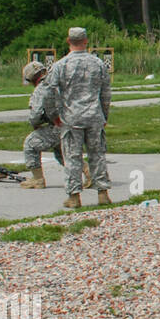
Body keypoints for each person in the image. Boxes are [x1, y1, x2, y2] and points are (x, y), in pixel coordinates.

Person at [40, 27, 112, 208]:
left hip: (71, 118)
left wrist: (54, 115)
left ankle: (74, 196)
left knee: (72, 157)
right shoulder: (98, 64)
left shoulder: (60, 65)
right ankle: (102, 193)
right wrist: (104, 114)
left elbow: (48, 92)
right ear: (86, 41)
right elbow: (106, 93)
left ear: (68, 41)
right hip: (94, 115)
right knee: (97, 155)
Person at [19, 60, 65, 189]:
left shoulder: (41, 88)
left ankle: (37, 179)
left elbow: (36, 114)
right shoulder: (59, 83)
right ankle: (88, 172)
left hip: (57, 125)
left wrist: (35, 124)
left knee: (30, 144)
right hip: (71, 123)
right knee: (62, 153)